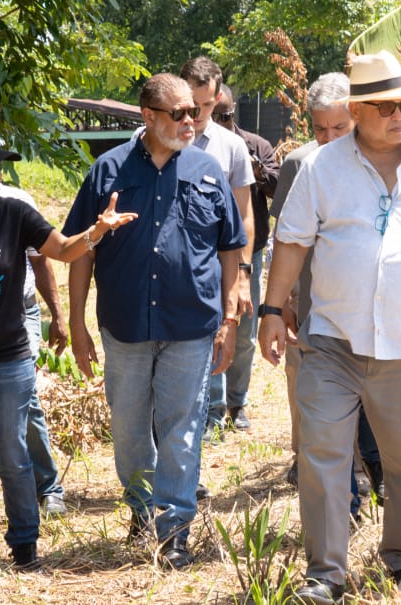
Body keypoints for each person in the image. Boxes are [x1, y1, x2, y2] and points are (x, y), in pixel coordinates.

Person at [258, 52, 401, 604]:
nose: (400, 115)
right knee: (322, 457)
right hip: (331, 342)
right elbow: (290, 241)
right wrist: (272, 310)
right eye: (387, 106)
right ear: (357, 110)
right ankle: (325, 575)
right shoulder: (320, 168)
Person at [0, 129, 136, 599]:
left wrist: (97, 231)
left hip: (7, 356)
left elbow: (63, 249)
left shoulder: (14, 213)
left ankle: (24, 545)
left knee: (13, 456)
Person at [64, 73, 247, 570]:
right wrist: (77, 323)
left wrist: (229, 317)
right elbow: (81, 252)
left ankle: (174, 529)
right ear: (148, 117)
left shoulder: (209, 171)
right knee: (127, 427)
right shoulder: (108, 172)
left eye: (195, 111)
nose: (192, 121)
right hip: (124, 325)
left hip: (191, 325)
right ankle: (142, 507)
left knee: (182, 427)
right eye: (180, 113)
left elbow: (231, 246)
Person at [269, 74, 383, 510]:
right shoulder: (301, 164)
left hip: (370, 312)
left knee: (372, 407)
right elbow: (287, 242)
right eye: (320, 129)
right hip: (318, 312)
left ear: (356, 117)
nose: (328, 138)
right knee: (324, 410)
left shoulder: (385, 162)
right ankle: (342, 499)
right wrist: (283, 305)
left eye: (338, 128)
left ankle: (376, 477)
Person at [0, 184, 69, 521]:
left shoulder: (19, 203)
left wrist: (58, 315)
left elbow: (42, 261)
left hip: (21, 312)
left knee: (24, 397)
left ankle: (48, 488)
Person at [178, 56, 255, 435]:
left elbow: (244, 217)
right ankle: (200, 415)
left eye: (206, 106)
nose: (197, 114)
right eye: (191, 105)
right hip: (175, 267)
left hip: (219, 263)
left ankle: (225, 409)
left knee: (229, 336)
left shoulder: (232, 148)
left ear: (219, 97)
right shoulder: (148, 142)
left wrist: (242, 275)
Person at [209, 84, 278, 431]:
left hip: (249, 253)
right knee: (215, 328)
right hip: (210, 254)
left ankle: (238, 403)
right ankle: (214, 410)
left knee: (245, 330)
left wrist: (257, 171)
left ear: (233, 114)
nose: (218, 122)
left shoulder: (253, 145)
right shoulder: (197, 145)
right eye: (211, 114)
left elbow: (279, 187)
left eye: (224, 116)